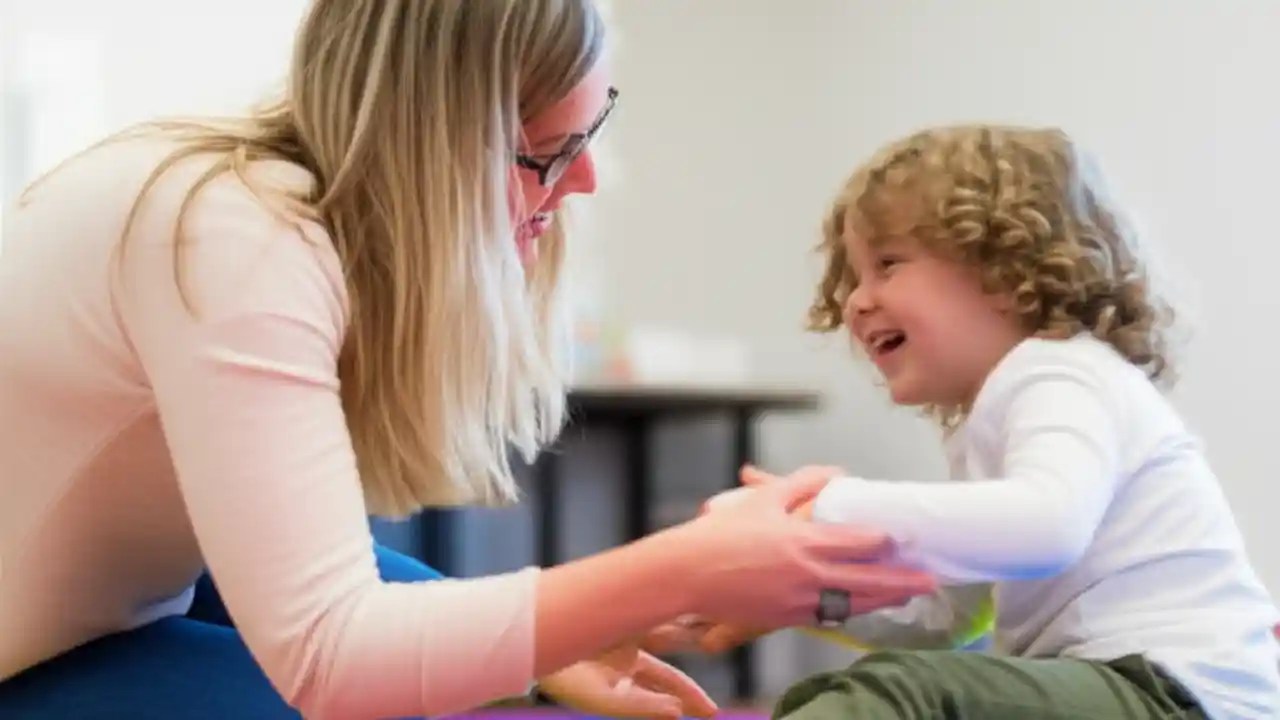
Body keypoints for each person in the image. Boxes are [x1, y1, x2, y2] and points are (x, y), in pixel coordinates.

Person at [0, 1, 938, 718]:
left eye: (591, 132)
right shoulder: (235, 234)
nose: (584, 179)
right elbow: (331, 654)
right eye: (546, 152)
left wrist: (538, 645)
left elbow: (275, 557)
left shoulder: (258, 211)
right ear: (431, 145)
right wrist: (684, 568)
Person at [698, 125, 1280, 719]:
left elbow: (1047, 525)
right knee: (846, 694)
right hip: (1130, 691)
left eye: (887, 264)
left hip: (1177, 696)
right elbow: (946, 616)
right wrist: (805, 596)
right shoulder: (1001, 412)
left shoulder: (1059, 374)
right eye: (854, 278)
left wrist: (824, 508)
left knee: (896, 693)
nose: (856, 301)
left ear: (1005, 269)